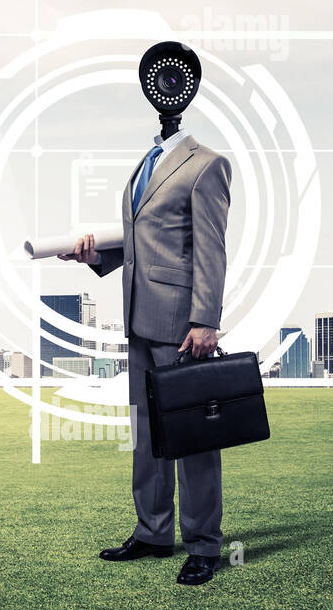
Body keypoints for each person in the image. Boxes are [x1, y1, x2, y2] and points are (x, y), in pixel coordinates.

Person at [60, 127, 232, 586]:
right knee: (147, 437)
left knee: (193, 440)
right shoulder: (148, 162)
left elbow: (211, 248)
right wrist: (96, 257)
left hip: (182, 324)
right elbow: (146, 240)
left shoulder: (207, 164)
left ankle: (203, 546)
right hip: (138, 316)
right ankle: (154, 533)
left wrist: (206, 320)